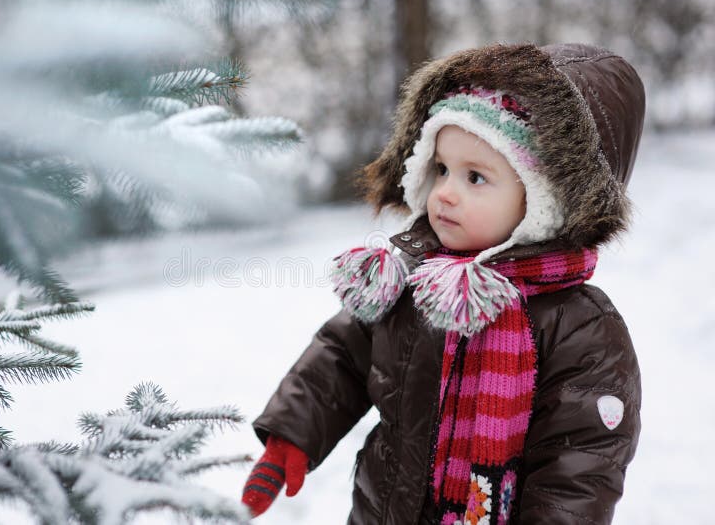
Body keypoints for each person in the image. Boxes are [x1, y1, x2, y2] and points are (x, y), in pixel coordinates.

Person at [241, 42, 645, 524]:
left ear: (545, 204)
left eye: (475, 177)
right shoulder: (415, 282)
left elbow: (580, 466)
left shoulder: (580, 328)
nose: (445, 193)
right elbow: (343, 355)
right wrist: (293, 432)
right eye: (441, 169)